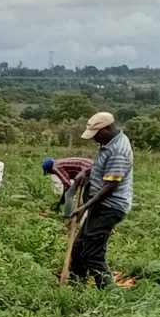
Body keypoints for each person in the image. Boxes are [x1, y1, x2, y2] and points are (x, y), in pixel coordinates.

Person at [66, 112, 132, 286]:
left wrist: (83, 207)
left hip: (109, 208)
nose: (94, 139)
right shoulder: (108, 143)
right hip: (99, 205)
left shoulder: (118, 151)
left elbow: (110, 187)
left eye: (96, 135)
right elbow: (101, 168)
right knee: (79, 247)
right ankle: (76, 286)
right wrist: (86, 172)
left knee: (92, 254)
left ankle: (110, 294)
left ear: (107, 128)